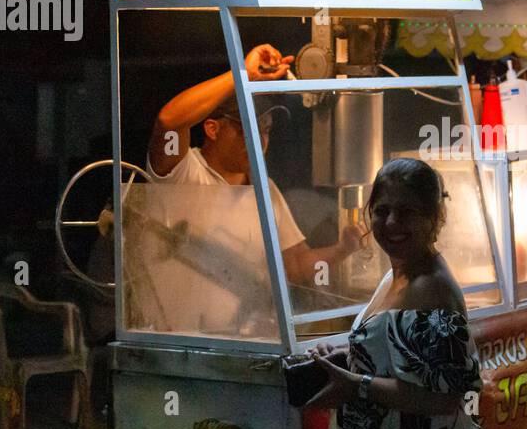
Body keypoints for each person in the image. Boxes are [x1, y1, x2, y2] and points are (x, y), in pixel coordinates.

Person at [308, 158, 491, 429]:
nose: (391, 222)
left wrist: (356, 387)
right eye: (381, 209)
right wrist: (342, 363)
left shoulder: (431, 286)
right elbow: (395, 359)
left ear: (433, 218)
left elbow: (446, 397)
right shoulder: (395, 277)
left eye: (406, 212)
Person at [147, 43, 367, 285]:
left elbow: (295, 266)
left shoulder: (265, 189)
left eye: (266, 130)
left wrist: (343, 249)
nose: (260, 141)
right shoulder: (184, 173)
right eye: (247, 129)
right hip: (179, 324)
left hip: (246, 324)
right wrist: (244, 75)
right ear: (213, 128)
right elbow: (169, 122)